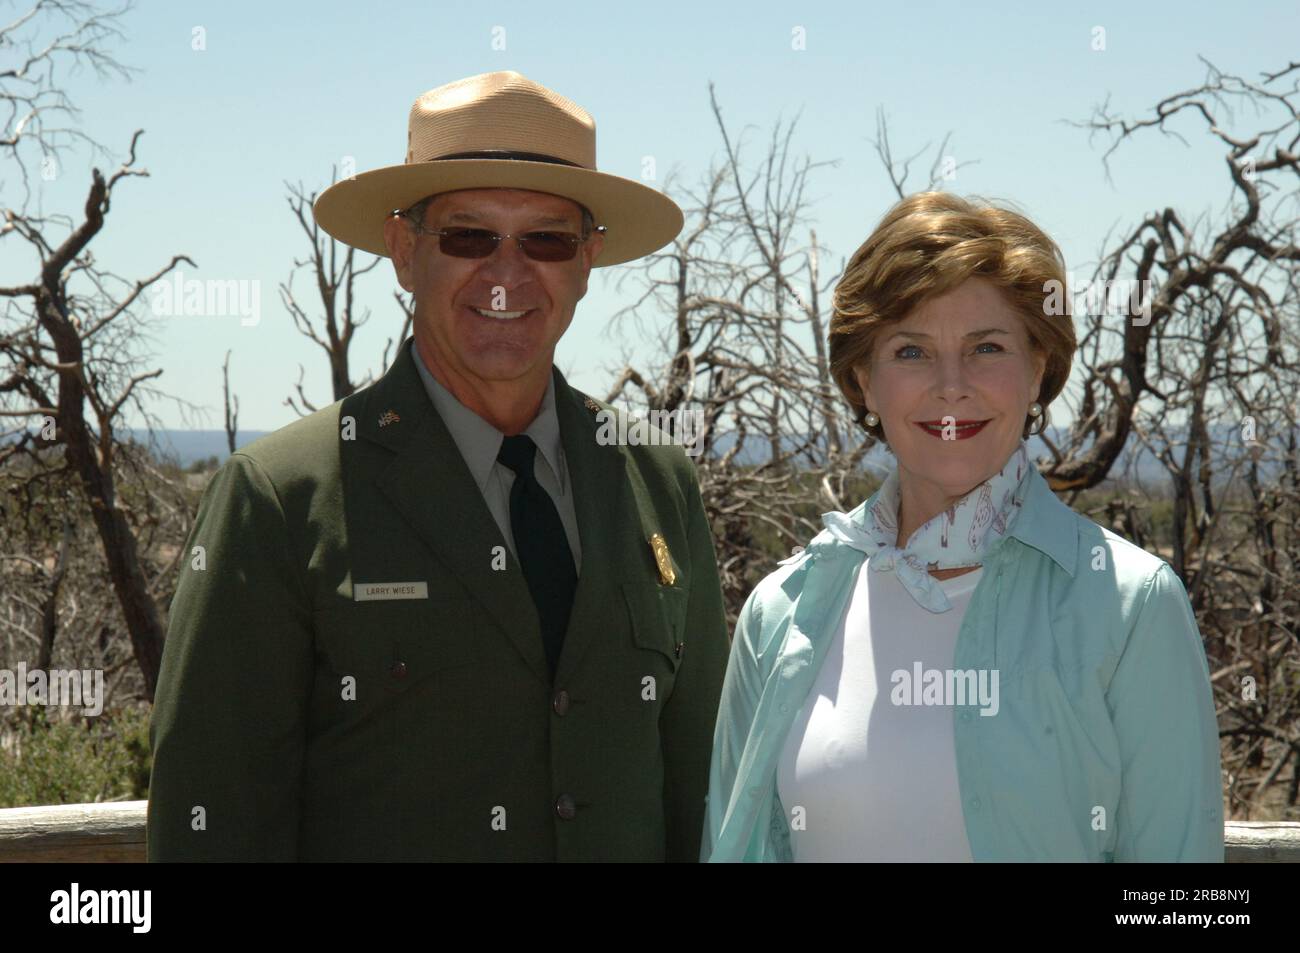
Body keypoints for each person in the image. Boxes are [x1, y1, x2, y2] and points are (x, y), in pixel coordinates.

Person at [147, 70, 730, 861]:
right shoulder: (283, 502)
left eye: (547, 239)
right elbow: (212, 828)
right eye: (468, 236)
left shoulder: (657, 484)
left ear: (587, 261)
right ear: (402, 250)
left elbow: (702, 795)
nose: (507, 275)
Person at [701, 191, 1223, 862]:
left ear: (1038, 368)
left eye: (986, 347)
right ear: (863, 378)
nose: (952, 385)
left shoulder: (1130, 606)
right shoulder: (783, 612)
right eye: (911, 351)